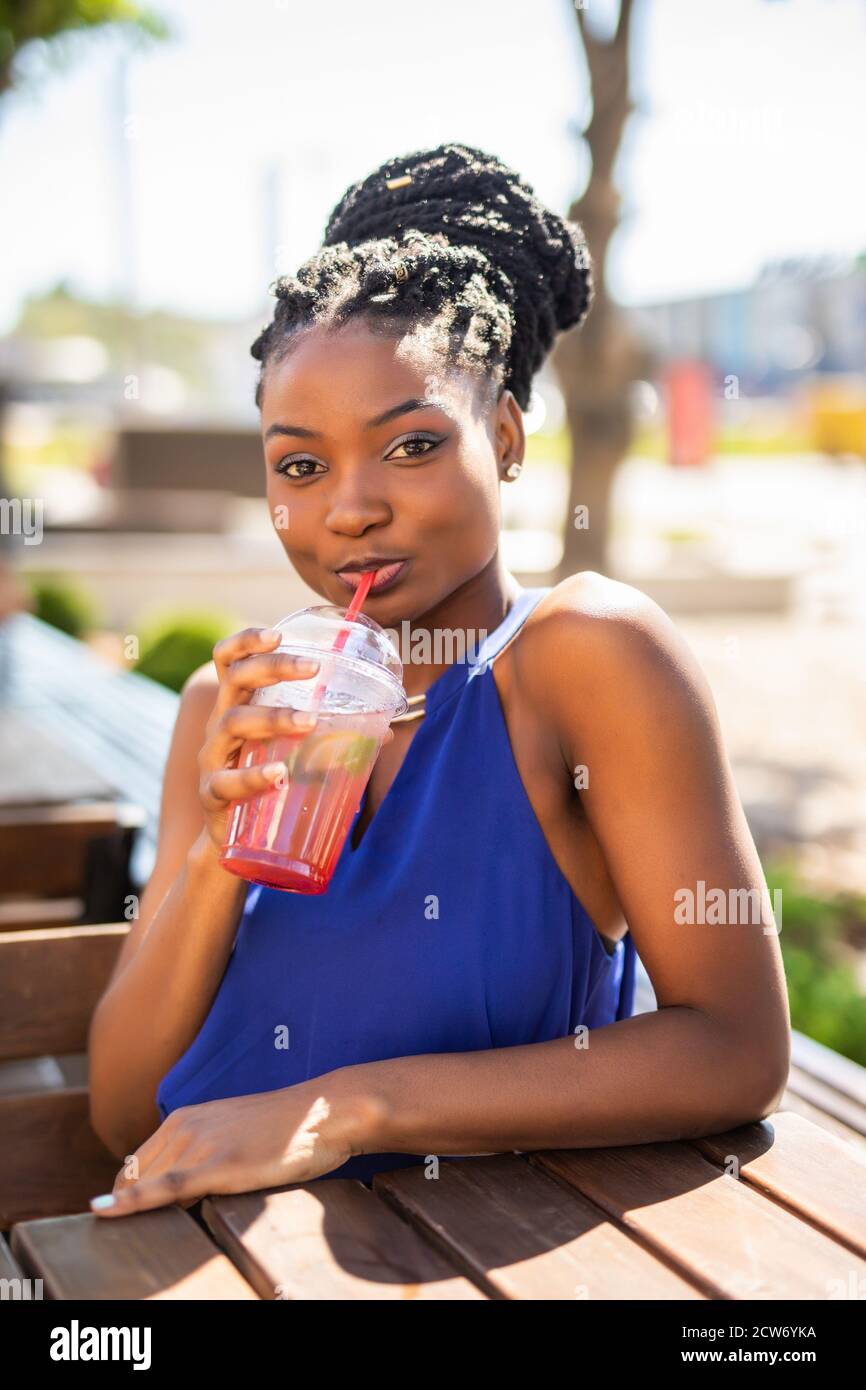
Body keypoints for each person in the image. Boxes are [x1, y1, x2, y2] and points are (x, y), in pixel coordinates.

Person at [88, 143, 790, 1216]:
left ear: (503, 436)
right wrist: (216, 859)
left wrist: (342, 1110)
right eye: (300, 464)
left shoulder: (580, 660)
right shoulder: (230, 707)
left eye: (409, 446)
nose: (348, 509)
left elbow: (735, 1047)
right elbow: (126, 1111)